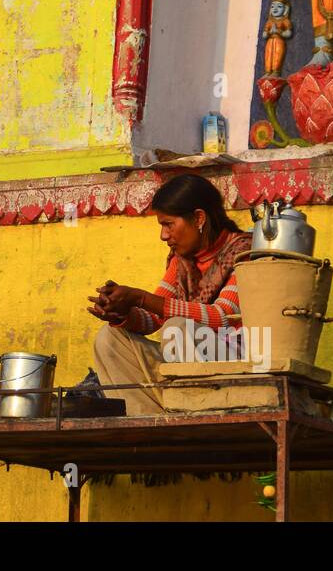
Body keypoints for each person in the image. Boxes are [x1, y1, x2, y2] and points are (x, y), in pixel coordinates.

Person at [87, 173, 252, 415]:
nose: (163, 236)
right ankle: (149, 422)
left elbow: (224, 316)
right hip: (186, 369)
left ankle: (197, 413)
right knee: (109, 338)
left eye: (168, 224)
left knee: (177, 328)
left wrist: (141, 298)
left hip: (236, 363)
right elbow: (153, 318)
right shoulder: (181, 261)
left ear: (198, 218)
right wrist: (122, 312)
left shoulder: (245, 252)